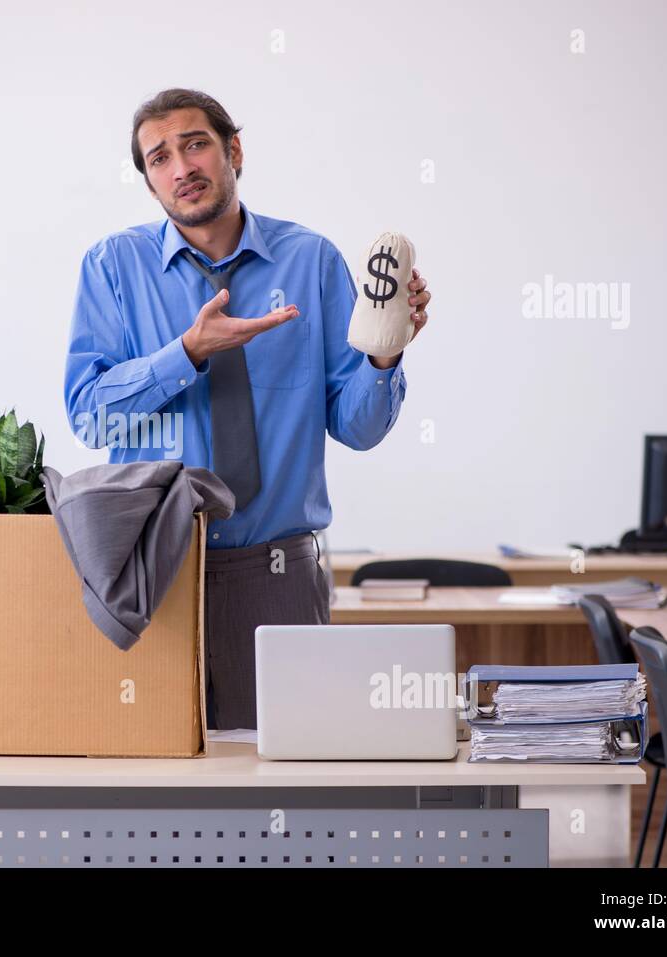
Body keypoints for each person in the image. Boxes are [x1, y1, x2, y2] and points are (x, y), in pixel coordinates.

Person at [63, 88, 431, 730]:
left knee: (285, 781)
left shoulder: (312, 261)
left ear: (233, 150)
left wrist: (384, 355)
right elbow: (93, 417)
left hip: (279, 574)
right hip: (156, 573)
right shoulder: (113, 267)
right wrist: (186, 353)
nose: (182, 168)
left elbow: (358, 428)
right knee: (152, 787)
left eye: (196, 144)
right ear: (149, 182)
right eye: (159, 158)